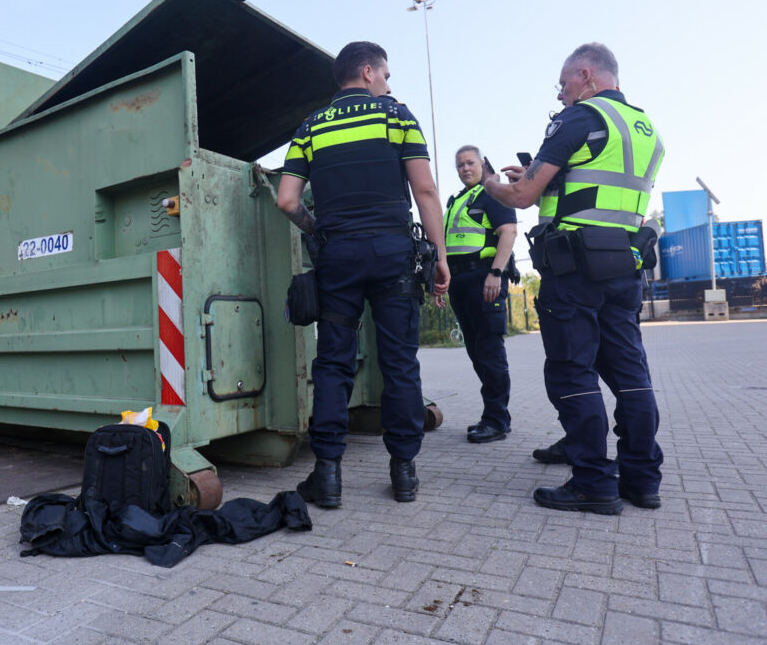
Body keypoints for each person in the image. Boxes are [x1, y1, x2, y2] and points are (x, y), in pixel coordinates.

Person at [483, 42, 664, 515]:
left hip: (575, 268)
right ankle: (642, 480)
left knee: (572, 370)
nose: (561, 94)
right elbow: (602, 187)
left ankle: (592, 482)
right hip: (623, 267)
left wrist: (487, 181)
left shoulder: (580, 118)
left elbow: (521, 197)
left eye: (563, 84)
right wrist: (546, 177)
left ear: (585, 75)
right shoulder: (646, 129)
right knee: (630, 374)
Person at [276, 41, 449, 507]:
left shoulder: (310, 127)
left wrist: (319, 231)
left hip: (339, 257)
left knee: (333, 362)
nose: (389, 84)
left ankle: (328, 475)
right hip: (393, 253)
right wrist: (441, 256)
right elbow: (426, 191)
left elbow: (287, 200)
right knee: (399, 362)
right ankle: (404, 473)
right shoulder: (396, 117)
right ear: (368, 72)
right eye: (386, 75)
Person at [438, 146, 517, 443]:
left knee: (490, 353)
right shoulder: (458, 199)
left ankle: (497, 421)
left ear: (482, 163)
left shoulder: (493, 192)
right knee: (477, 354)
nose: (465, 169)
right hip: (461, 282)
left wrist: (496, 274)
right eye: (460, 165)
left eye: (470, 163)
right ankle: (493, 416)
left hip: (485, 280)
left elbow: (508, 232)